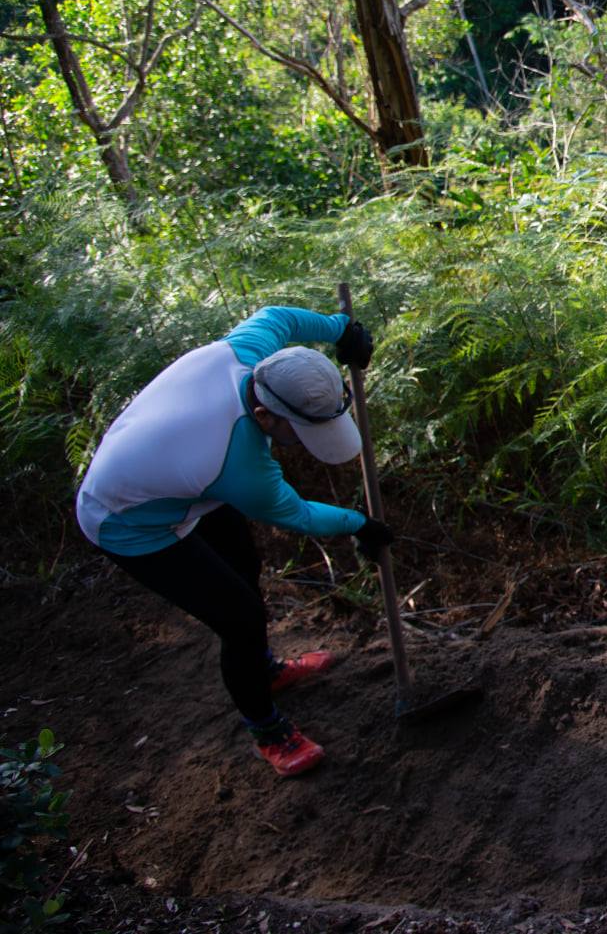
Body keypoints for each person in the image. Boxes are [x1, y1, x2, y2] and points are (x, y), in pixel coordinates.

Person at [75, 306, 396, 776]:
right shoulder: (237, 466)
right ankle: (267, 730)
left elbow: (278, 318)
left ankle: (264, 670)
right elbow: (297, 513)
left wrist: (340, 328)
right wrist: (361, 525)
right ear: (265, 415)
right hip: (127, 520)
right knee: (241, 616)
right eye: (301, 431)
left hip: (167, 474)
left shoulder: (247, 354)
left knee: (243, 563)